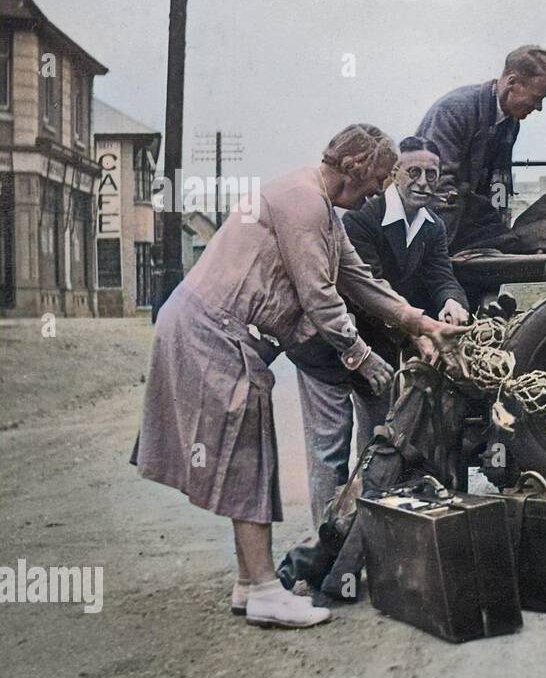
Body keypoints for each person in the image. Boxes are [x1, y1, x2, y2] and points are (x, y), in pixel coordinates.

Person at [133, 124, 468, 628]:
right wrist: (361, 356)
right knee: (245, 453)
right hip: (212, 330)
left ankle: (251, 582)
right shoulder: (304, 202)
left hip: (217, 328)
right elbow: (319, 297)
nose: (381, 189)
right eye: (379, 177)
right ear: (355, 167)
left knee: (248, 452)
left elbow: (360, 282)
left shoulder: (324, 212)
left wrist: (423, 325)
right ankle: (267, 590)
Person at [285, 136, 471, 529]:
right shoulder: (360, 220)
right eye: (414, 172)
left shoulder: (432, 227)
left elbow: (442, 276)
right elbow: (369, 295)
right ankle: (326, 552)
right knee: (330, 453)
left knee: (379, 446)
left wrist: (452, 302)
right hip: (329, 347)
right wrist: (417, 334)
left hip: (380, 351)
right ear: (393, 176)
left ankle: (367, 541)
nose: (423, 182)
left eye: (432, 175)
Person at [415, 45, 546, 253]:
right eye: (536, 98)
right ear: (512, 83)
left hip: (467, 219)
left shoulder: (511, 123)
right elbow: (436, 187)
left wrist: (499, 239)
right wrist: (442, 257)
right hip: (431, 224)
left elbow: (499, 184)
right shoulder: (453, 110)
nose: (539, 107)